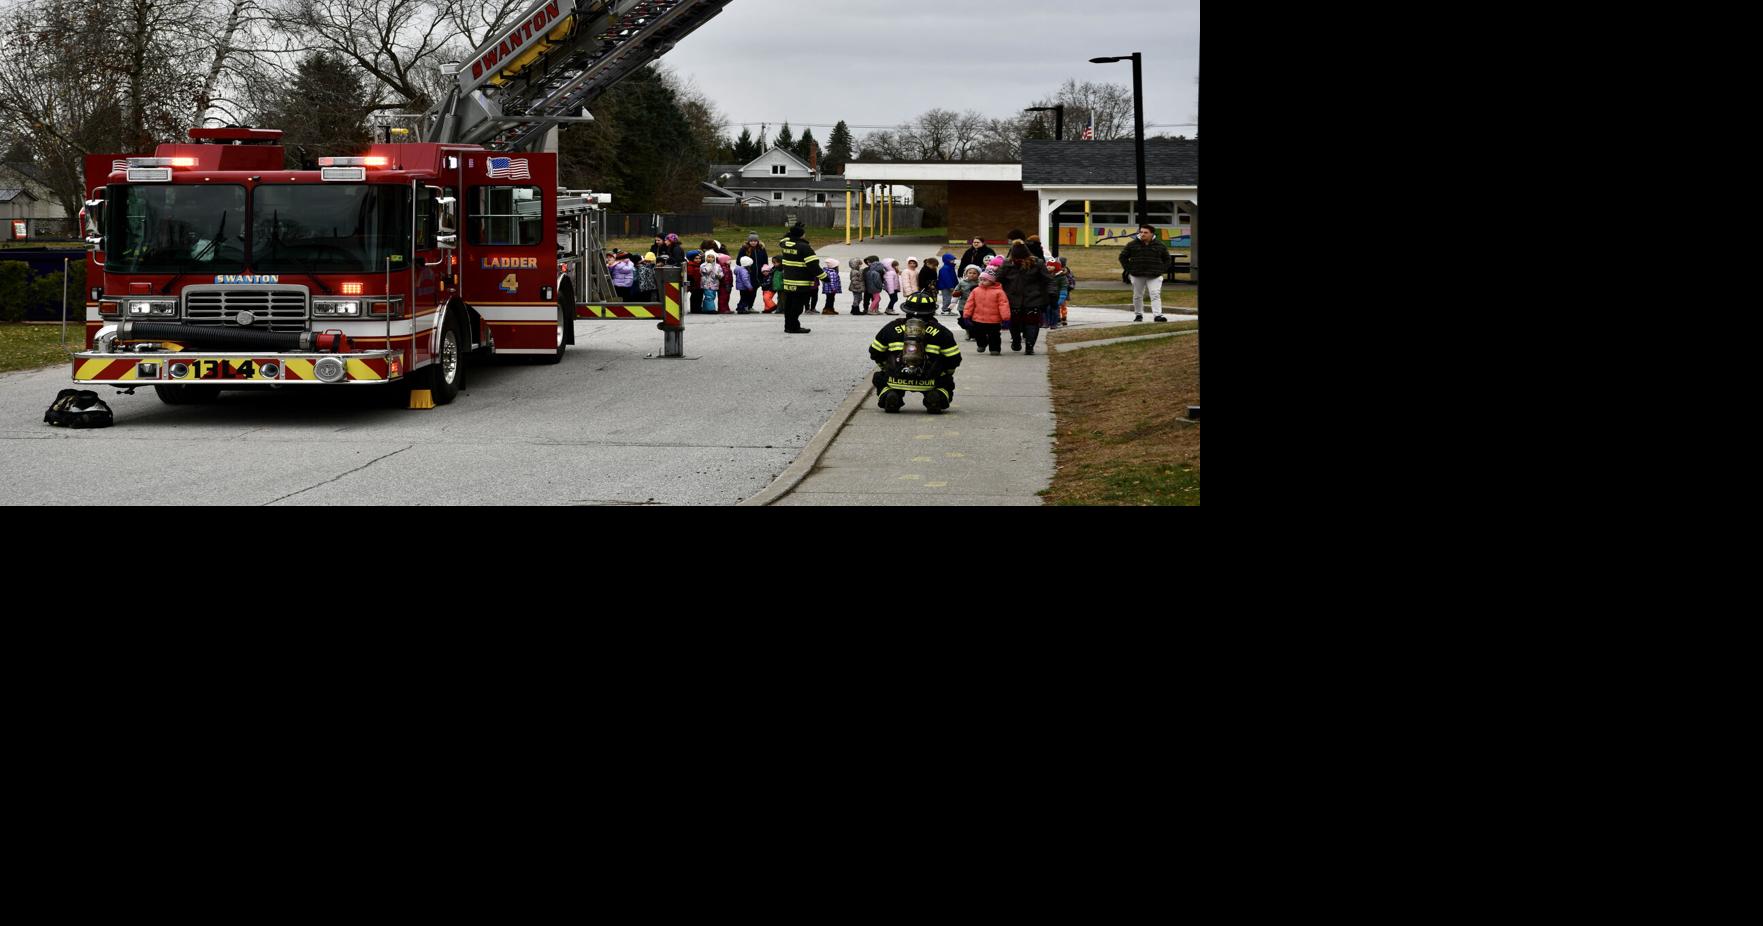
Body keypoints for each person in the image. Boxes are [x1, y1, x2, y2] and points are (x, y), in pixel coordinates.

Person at [869, 290, 961, 414]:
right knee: (946, 382)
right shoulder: (942, 332)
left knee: (880, 378)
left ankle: (889, 394)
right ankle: (937, 397)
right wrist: (944, 373)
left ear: (906, 310)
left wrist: (887, 368)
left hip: (895, 379)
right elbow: (954, 359)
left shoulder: (891, 327)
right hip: (930, 381)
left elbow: (875, 352)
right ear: (932, 311)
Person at [997, 242, 1055, 355]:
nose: (1019, 260)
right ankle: (1016, 340)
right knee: (1015, 322)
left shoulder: (1037, 263)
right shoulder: (1007, 264)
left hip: (1033, 298)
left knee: (1031, 323)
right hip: (1013, 298)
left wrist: (1052, 293)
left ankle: (1029, 345)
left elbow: (1048, 280)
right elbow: (998, 279)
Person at [1119, 222, 1172, 322]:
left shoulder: (1160, 245)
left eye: (1145, 232)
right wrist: (1129, 269)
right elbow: (1122, 257)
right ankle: (1138, 315)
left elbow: (1167, 259)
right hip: (1137, 274)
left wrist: (1161, 270)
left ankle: (1158, 315)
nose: (1142, 234)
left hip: (1154, 275)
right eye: (1141, 232)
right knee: (1137, 295)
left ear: (1152, 233)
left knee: (1155, 294)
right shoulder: (1132, 244)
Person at [777, 221, 822, 334]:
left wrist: (792, 230)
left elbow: (783, 239)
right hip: (801, 282)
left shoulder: (785, 244)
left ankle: (788, 326)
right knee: (797, 306)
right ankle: (794, 327)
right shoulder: (804, 247)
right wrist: (825, 277)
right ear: (802, 235)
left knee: (789, 305)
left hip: (788, 281)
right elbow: (813, 265)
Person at [962, 268, 1010, 356]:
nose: (982, 282)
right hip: (978, 318)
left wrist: (1005, 318)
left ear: (992, 281)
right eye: (980, 279)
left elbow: (1003, 305)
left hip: (994, 320)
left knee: (994, 335)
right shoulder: (976, 290)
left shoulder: (999, 292)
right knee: (979, 334)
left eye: (985, 280)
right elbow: (970, 303)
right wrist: (966, 315)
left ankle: (995, 349)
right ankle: (981, 344)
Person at [953, 264, 982, 339]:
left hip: (976, 306)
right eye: (970, 273)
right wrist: (957, 294)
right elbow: (955, 292)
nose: (972, 275)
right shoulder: (962, 282)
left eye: (974, 273)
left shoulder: (980, 283)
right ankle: (967, 331)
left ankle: (973, 335)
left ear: (978, 275)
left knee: (973, 321)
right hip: (963, 305)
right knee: (963, 321)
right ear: (966, 274)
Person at [1047, 258, 1074, 327]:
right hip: (1055, 293)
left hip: (1063, 291)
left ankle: (1063, 318)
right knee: (1057, 306)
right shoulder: (1051, 273)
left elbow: (1070, 282)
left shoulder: (1065, 273)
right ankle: (1058, 319)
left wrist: (1068, 288)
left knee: (1062, 305)